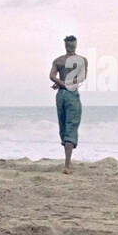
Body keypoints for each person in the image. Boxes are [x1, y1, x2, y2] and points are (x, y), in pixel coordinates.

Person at [50, 35, 88, 173]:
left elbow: (52, 76)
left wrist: (61, 84)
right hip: (71, 94)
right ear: (75, 45)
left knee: (63, 126)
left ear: (65, 45)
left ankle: (68, 162)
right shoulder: (82, 60)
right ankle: (67, 165)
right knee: (71, 126)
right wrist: (67, 84)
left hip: (60, 95)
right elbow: (82, 77)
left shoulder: (58, 60)